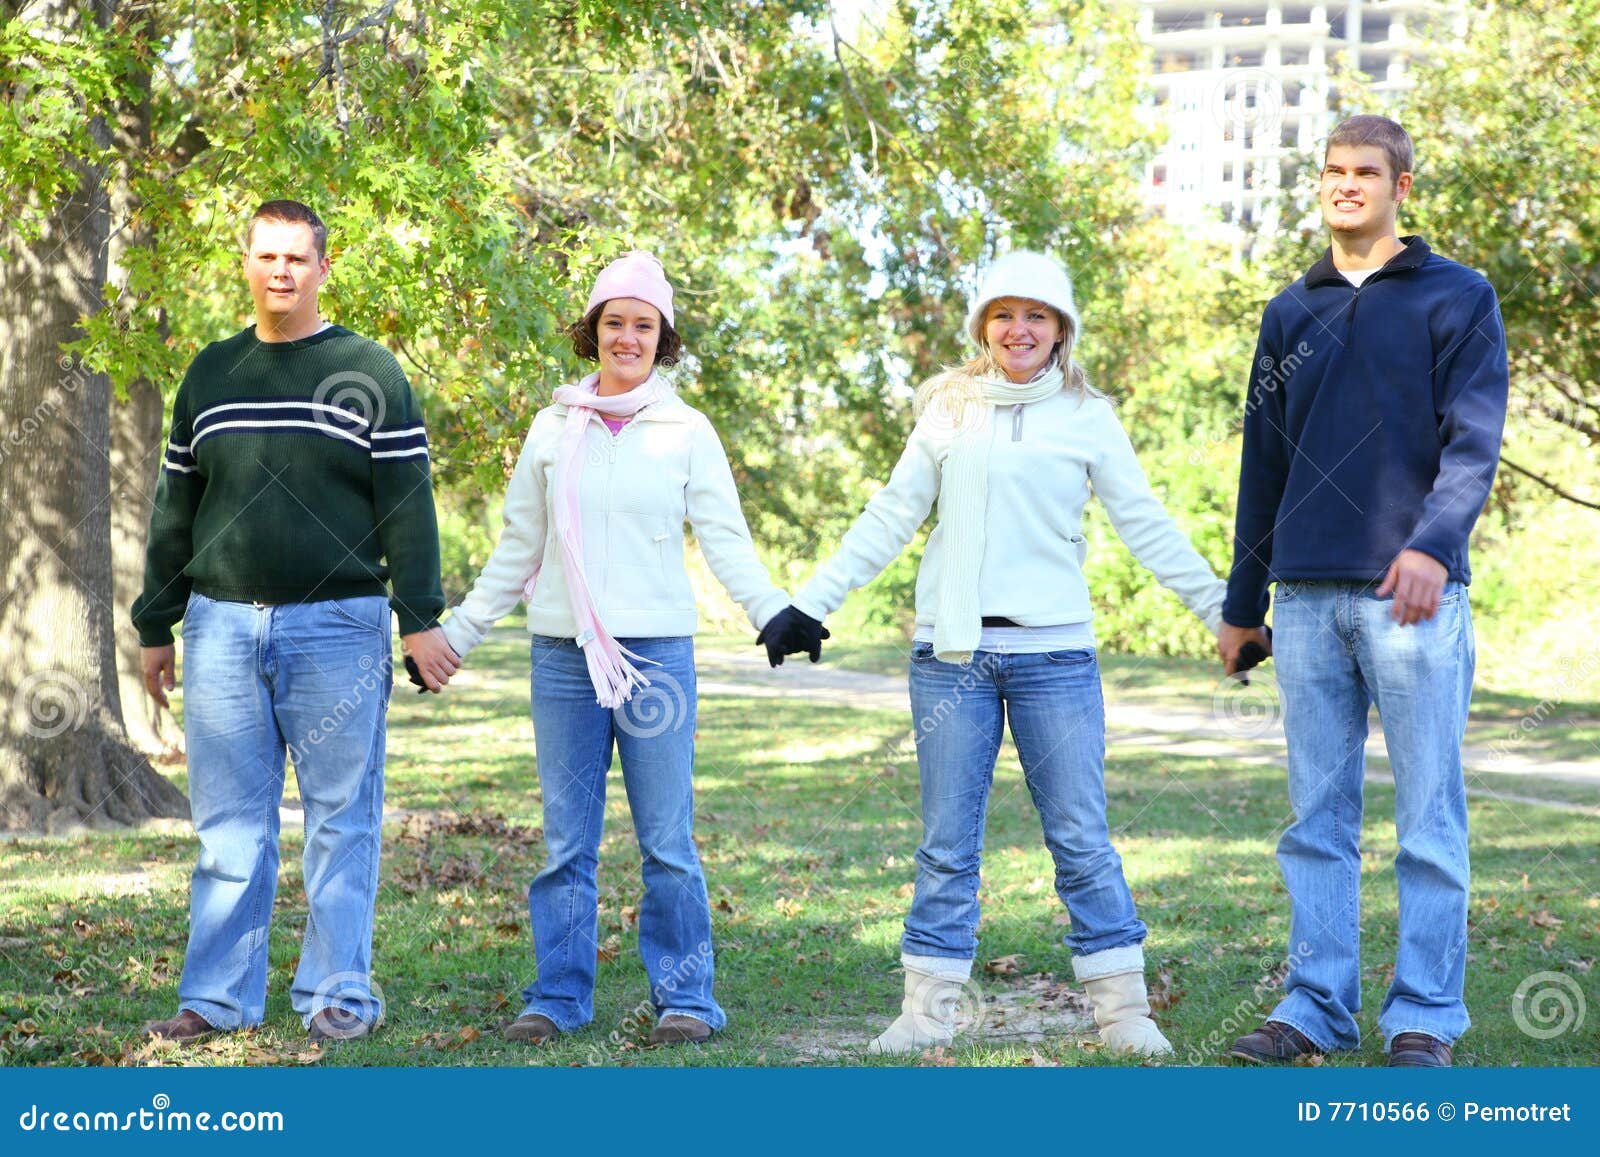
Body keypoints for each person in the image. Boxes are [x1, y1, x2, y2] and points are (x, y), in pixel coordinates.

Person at [782, 250, 1226, 1057]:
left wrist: (1222, 611)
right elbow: (891, 513)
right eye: (1003, 314)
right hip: (951, 658)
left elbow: (1146, 523)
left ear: (1061, 331)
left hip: (1055, 656)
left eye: (1037, 316)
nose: (1018, 329)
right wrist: (810, 604)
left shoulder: (1089, 414)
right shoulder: (950, 409)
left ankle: (1124, 1010)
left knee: (1081, 836)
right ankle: (926, 1013)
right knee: (947, 841)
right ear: (982, 325)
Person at [439, 251, 789, 1045]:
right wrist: (458, 633)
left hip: (656, 653)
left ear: (662, 338)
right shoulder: (553, 427)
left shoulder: (686, 431)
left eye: (643, 324)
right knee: (567, 839)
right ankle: (557, 995)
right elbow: (517, 550)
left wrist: (774, 611)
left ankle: (686, 997)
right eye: (613, 322)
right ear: (591, 332)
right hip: (563, 655)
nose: (627, 336)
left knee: (667, 836)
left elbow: (728, 542)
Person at [1218, 116, 1508, 1068]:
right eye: (1335, 172)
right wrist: (1239, 601)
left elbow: (1473, 444)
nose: (1347, 186)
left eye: (1367, 173)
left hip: (1411, 598)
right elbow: (1263, 464)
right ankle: (1314, 1008)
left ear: (1402, 187)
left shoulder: (1458, 296)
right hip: (1302, 598)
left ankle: (1425, 1014)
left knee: (1428, 816)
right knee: (1316, 820)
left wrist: (1432, 546)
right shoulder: (1287, 312)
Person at [132, 199, 457, 1044]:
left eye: (296, 258)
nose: (281, 271)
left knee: (342, 817)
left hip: (339, 626)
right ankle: (216, 998)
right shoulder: (209, 374)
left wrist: (420, 616)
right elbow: (176, 509)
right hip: (221, 630)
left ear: (322, 267)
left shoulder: (370, 370)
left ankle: (337, 994)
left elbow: (409, 507)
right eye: (266, 256)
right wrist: (155, 623)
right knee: (229, 826)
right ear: (247, 262)